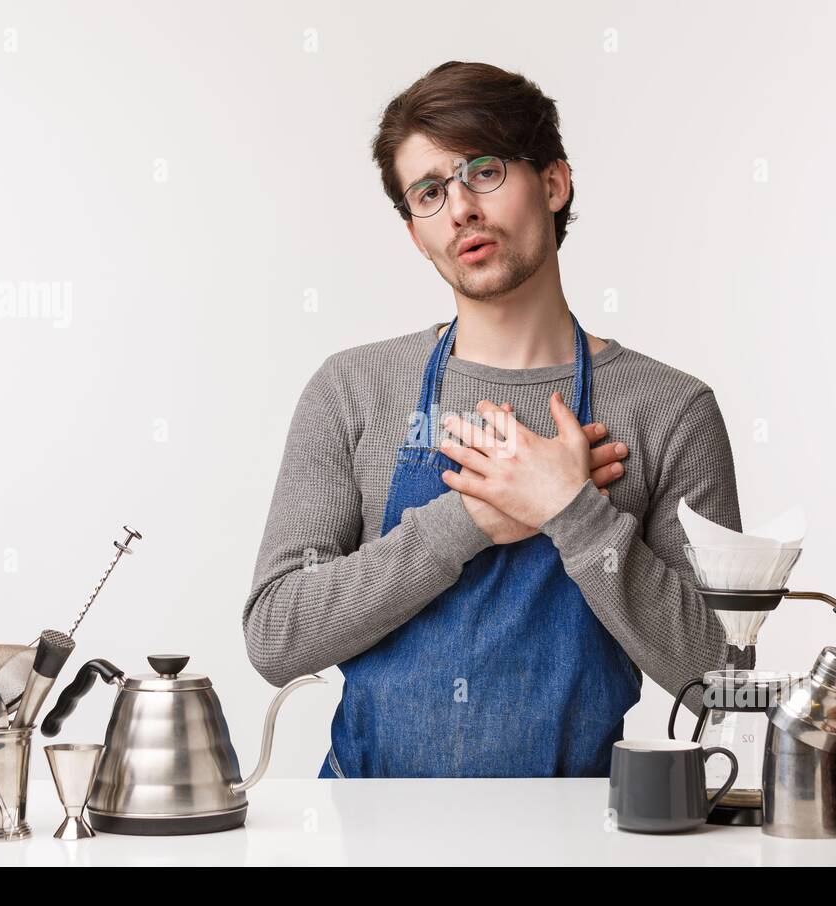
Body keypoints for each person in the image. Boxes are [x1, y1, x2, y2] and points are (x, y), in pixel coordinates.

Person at [244, 61, 745, 778]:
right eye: (429, 191)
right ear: (416, 235)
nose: (460, 209)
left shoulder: (669, 409)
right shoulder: (353, 390)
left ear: (553, 182)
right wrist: (470, 521)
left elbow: (721, 675)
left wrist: (575, 513)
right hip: (366, 829)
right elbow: (276, 636)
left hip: (579, 832)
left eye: (483, 171)